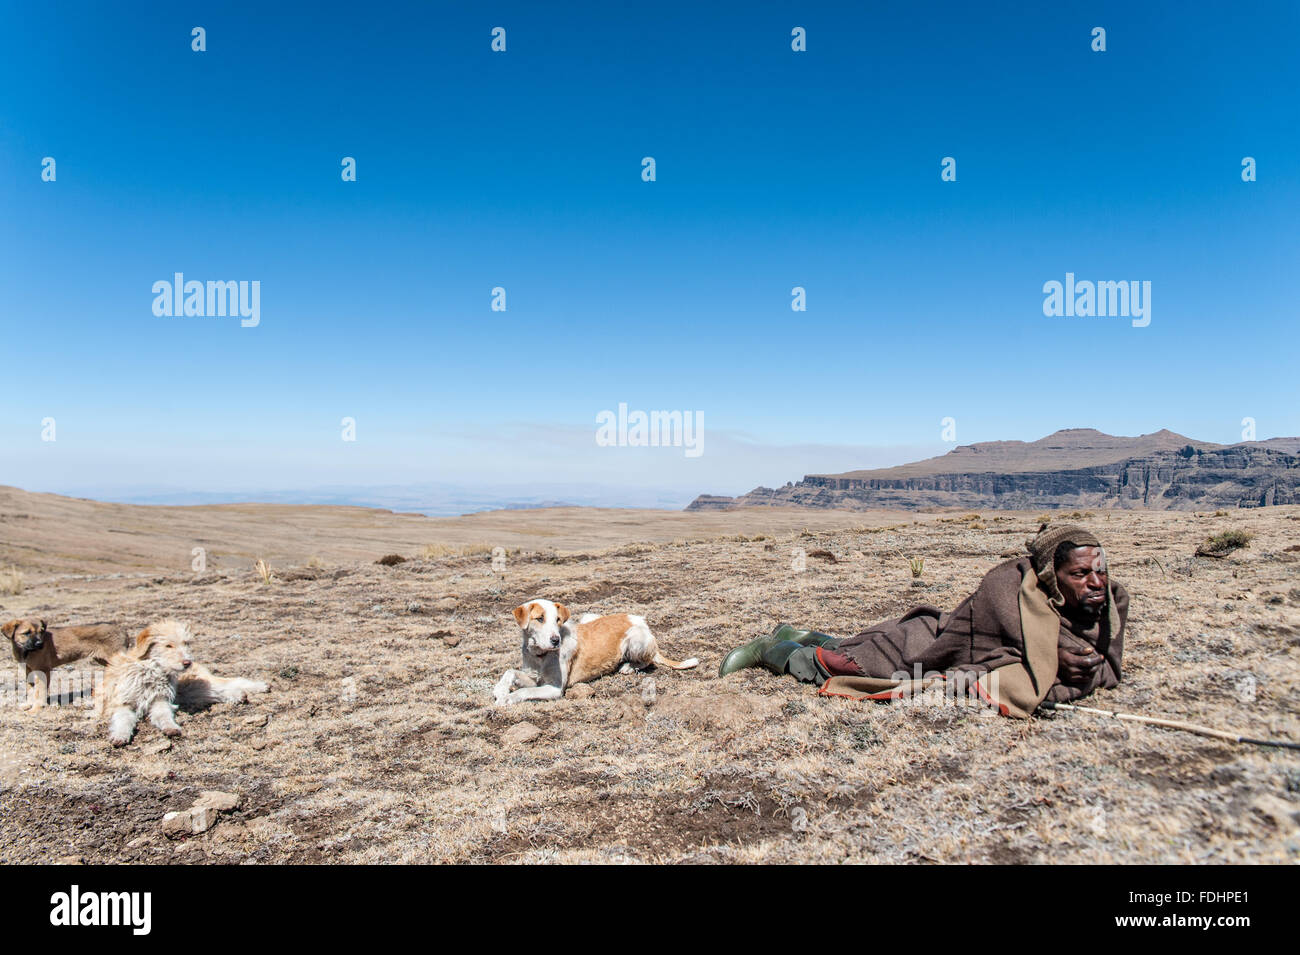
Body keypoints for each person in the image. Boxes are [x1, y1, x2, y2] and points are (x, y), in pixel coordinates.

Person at [718, 524, 1129, 717]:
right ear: (1050, 577)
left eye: (1100, 572)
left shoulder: (1110, 606)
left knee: (853, 647)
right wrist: (1051, 657)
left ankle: (803, 634)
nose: (1095, 583)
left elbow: (1108, 666)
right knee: (847, 664)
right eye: (1079, 574)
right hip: (933, 645)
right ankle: (774, 649)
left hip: (942, 641)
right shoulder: (1005, 590)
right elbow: (984, 647)